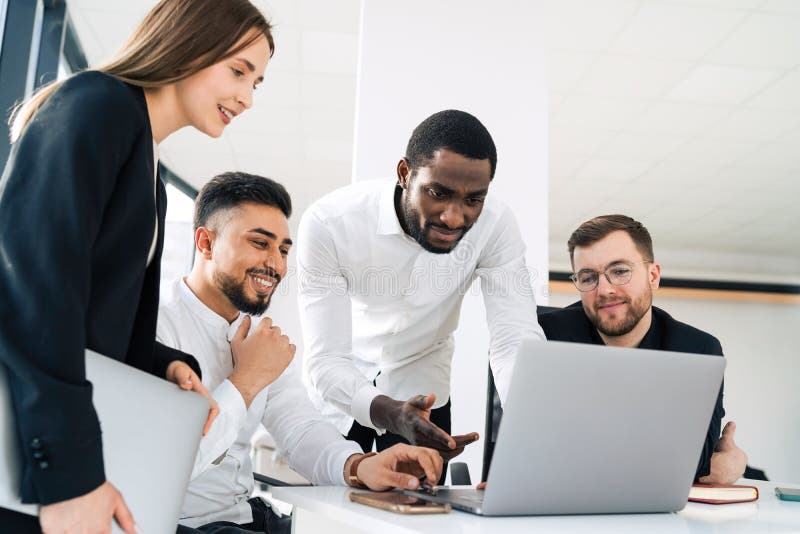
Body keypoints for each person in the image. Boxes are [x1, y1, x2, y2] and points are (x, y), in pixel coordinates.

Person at [0, 1, 275, 532]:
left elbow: (91, 314)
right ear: (188, 43)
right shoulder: (97, 105)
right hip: (31, 457)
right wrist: (70, 478)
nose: (246, 97)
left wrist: (163, 364)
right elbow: (31, 295)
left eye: (256, 82)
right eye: (238, 71)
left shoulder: (151, 178)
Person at [157, 172, 444, 533]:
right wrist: (246, 381)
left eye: (283, 250)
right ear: (206, 243)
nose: (276, 265)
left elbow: (300, 429)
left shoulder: (258, 337)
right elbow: (168, 464)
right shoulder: (156, 328)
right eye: (260, 243)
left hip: (247, 518)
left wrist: (359, 465)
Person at [296, 110, 545, 476]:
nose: (454, 217)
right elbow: (325, 359)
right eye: (438, 193)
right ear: (404, 174)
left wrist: (530, 431)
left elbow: (514, 339)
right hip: (344, 384)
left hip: (424, 390)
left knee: (420, 514)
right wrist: (390, 412)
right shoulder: (330, 223)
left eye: (473, 200)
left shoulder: (496, 226)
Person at [539, 214, 748, 483]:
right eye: (588, 277)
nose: (604, 289)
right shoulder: (545, 338)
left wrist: (704, 467)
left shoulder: (697, 350)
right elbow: (539, 454)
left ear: (653, 276)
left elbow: (696, 461)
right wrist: (717, 469)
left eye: (620, 271)